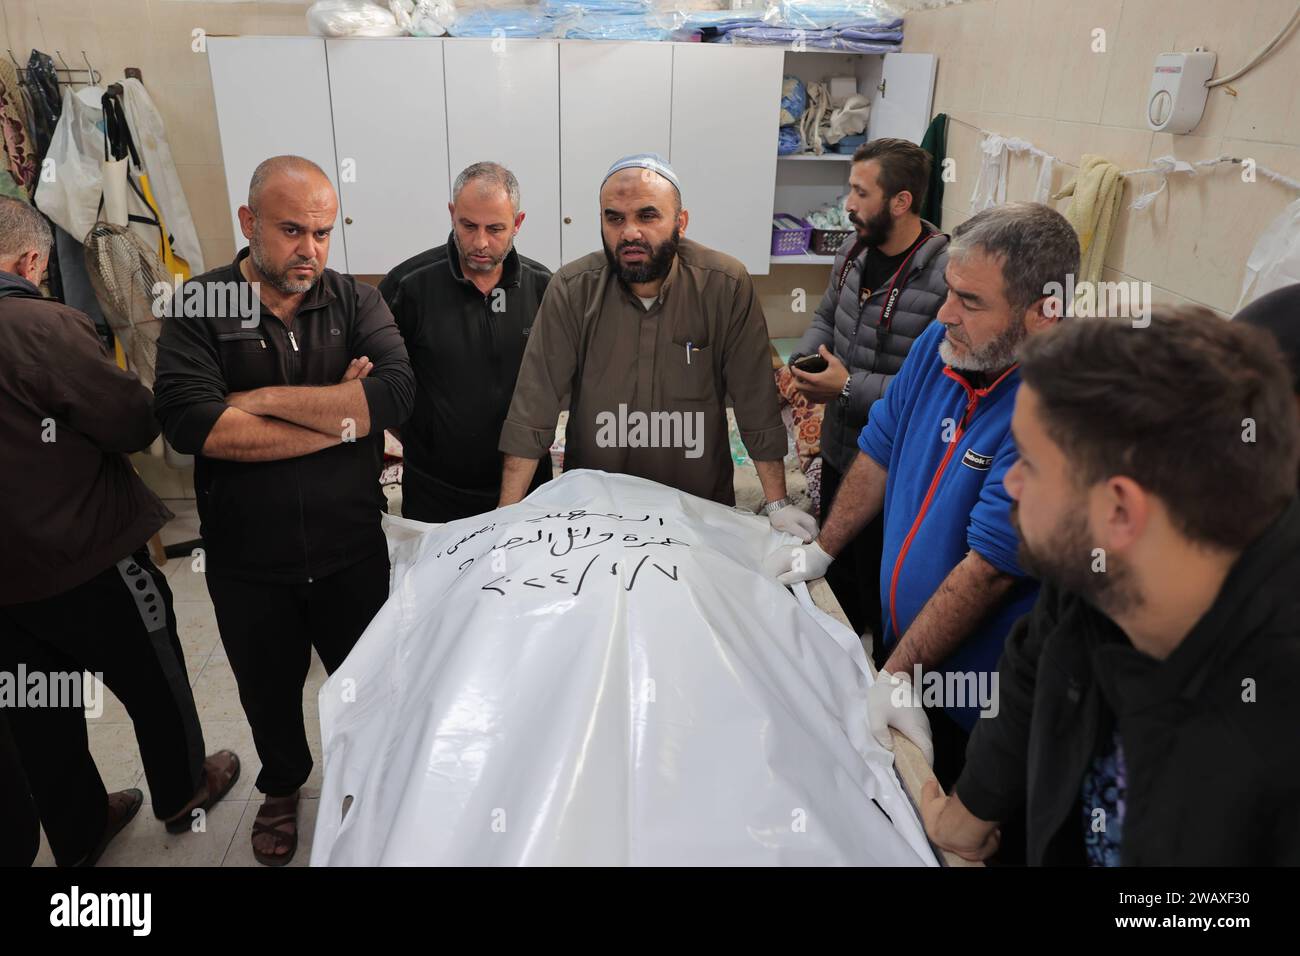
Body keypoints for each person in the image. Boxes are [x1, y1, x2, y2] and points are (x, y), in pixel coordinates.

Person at [922, 307, 1300, 865]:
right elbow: (1034, 666)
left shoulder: (1264, 727)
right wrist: (970, 813)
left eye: (1030, 461)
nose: (1010, 481)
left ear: (1119, 509)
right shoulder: (1094, 568)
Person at [764, 202, 1080, 791]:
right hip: (904, 643)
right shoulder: (945, 346)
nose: (944, 313)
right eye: (949, 291)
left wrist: (902, 672)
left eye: (971, 302)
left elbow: (989, 570)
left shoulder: (1056, 411)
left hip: (978, 696)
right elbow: (881, 446)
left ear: (1045, 313)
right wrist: (825, 551)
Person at [153, 156, 414, 865]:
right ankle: (283, 786)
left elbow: (392, 398)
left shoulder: (356, 302)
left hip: (351, 549)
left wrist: (258, 401)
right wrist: (337, 415)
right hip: (247, 560)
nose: (311, 249)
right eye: (293, 229)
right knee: (268, 692)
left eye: (324, 232)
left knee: (363, 688)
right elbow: (192, 426)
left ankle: (365, 785)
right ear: (248, 223)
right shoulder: (197, 305)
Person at [0, 196, 239, 867]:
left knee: (36, 704)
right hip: (84, 556)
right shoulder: (41, 327)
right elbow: (132, 422)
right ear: (31, 260)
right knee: (153, 677)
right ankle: (183, 789)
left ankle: (78, 830)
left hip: (6, 586)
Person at [498, 153, 816, 541]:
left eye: (647, 216)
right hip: (594, 517)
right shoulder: (572, 289)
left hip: (698, 511)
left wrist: (778, 504)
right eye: (614, 218)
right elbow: (534, 407)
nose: (629, 232)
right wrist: (507, 515)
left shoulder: (724, 285)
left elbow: (756, 402)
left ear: (680, 222)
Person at [787, 137, 950, 648]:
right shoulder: (853, 253)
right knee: (836, 584)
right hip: (840, 452)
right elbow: (822, 317)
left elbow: (933, 390)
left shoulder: (946, 279)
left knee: (884, 599)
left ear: (900, 202)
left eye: (860, 192)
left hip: (899, 472)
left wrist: (849, 386)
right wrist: (805, 359)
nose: (849, 205)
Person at [379, 162, 553, 521]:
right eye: (468, 225)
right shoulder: (408, 287)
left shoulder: (543, 288)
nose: (480, 243)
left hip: (530, 489)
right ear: (452, 214)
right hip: (436, 492)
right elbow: (379, 385)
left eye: (496, 228)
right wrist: (425, 436)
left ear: (518, 223)